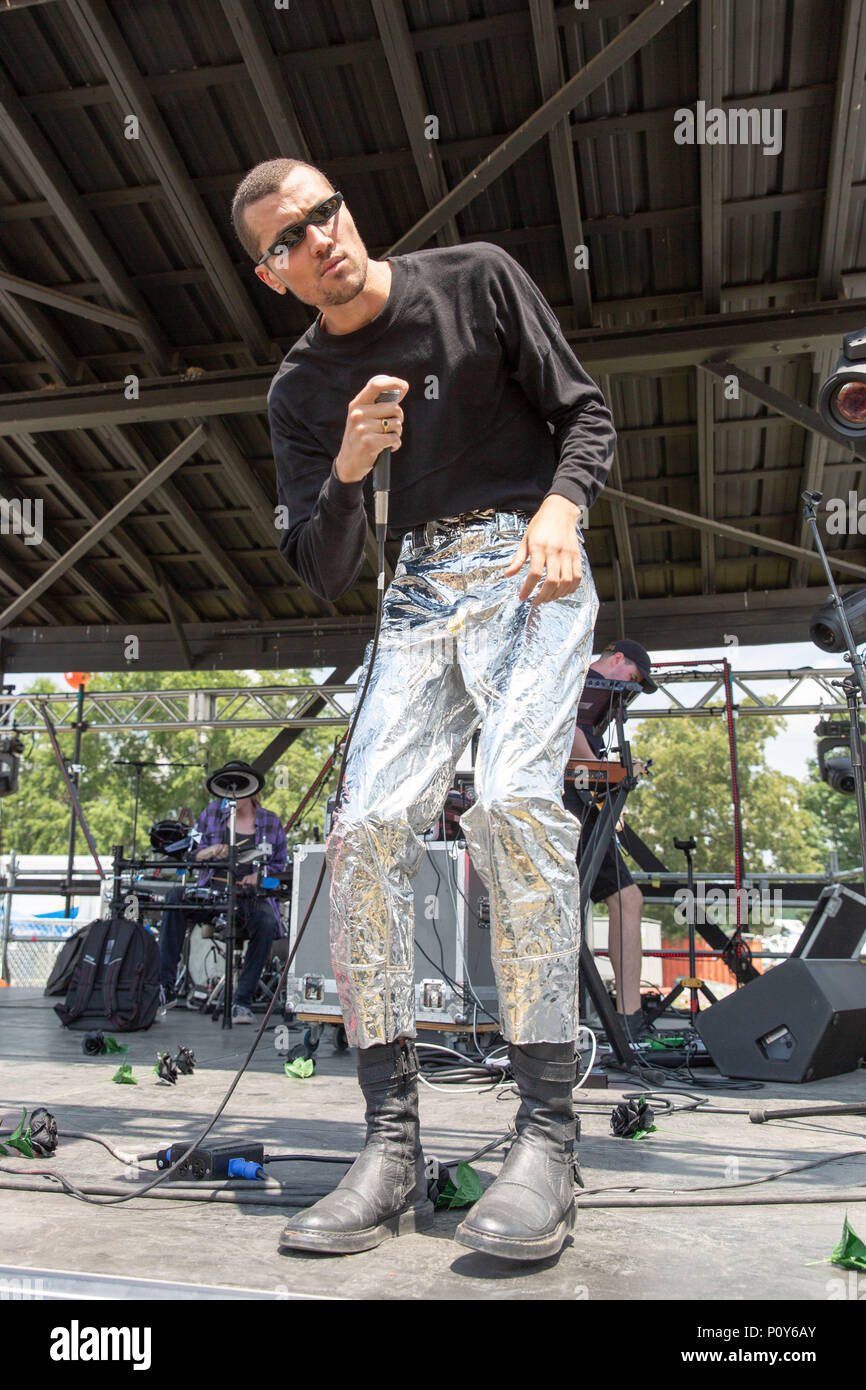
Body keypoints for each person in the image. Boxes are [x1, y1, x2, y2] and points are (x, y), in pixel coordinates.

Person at [231, 157, 616, 1261]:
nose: (320, 239)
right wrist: (348, 467)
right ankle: (389, 1146)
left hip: (525, 560)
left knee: (507, 802)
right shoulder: (300, 389)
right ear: (271, 275)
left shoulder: (475, 279)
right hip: (413, 586)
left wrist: (559, 507)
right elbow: (318, 562)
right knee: (362, 830)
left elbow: (584, 413)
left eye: (324, 212)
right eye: (290, 238)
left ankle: (545, 1133)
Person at [563, 640, 656, 1039]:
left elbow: (585, 749)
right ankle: (625, 1021)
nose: (630, 688)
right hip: (565, 807)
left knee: (620, 899)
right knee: (615, 900)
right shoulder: (582, 681)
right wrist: (605, 769)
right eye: (632, 678)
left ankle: (626, 1018)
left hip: (581, 806)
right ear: (617, 659)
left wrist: (614, 773)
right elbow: (568, 730)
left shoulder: (600, 697)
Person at [158, 787, 287, 1023]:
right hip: (211, 892)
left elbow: (280, 868)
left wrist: (258, 878)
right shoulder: (211, 814)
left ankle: (242, 1002)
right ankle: (164, 988)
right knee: (175, 898)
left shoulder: (270, 820)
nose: (233, 796)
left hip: (249, 897)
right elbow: (190, 853)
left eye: (239, 789)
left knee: (267, 921)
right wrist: (207, 852)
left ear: (251, 790)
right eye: (228, 790)